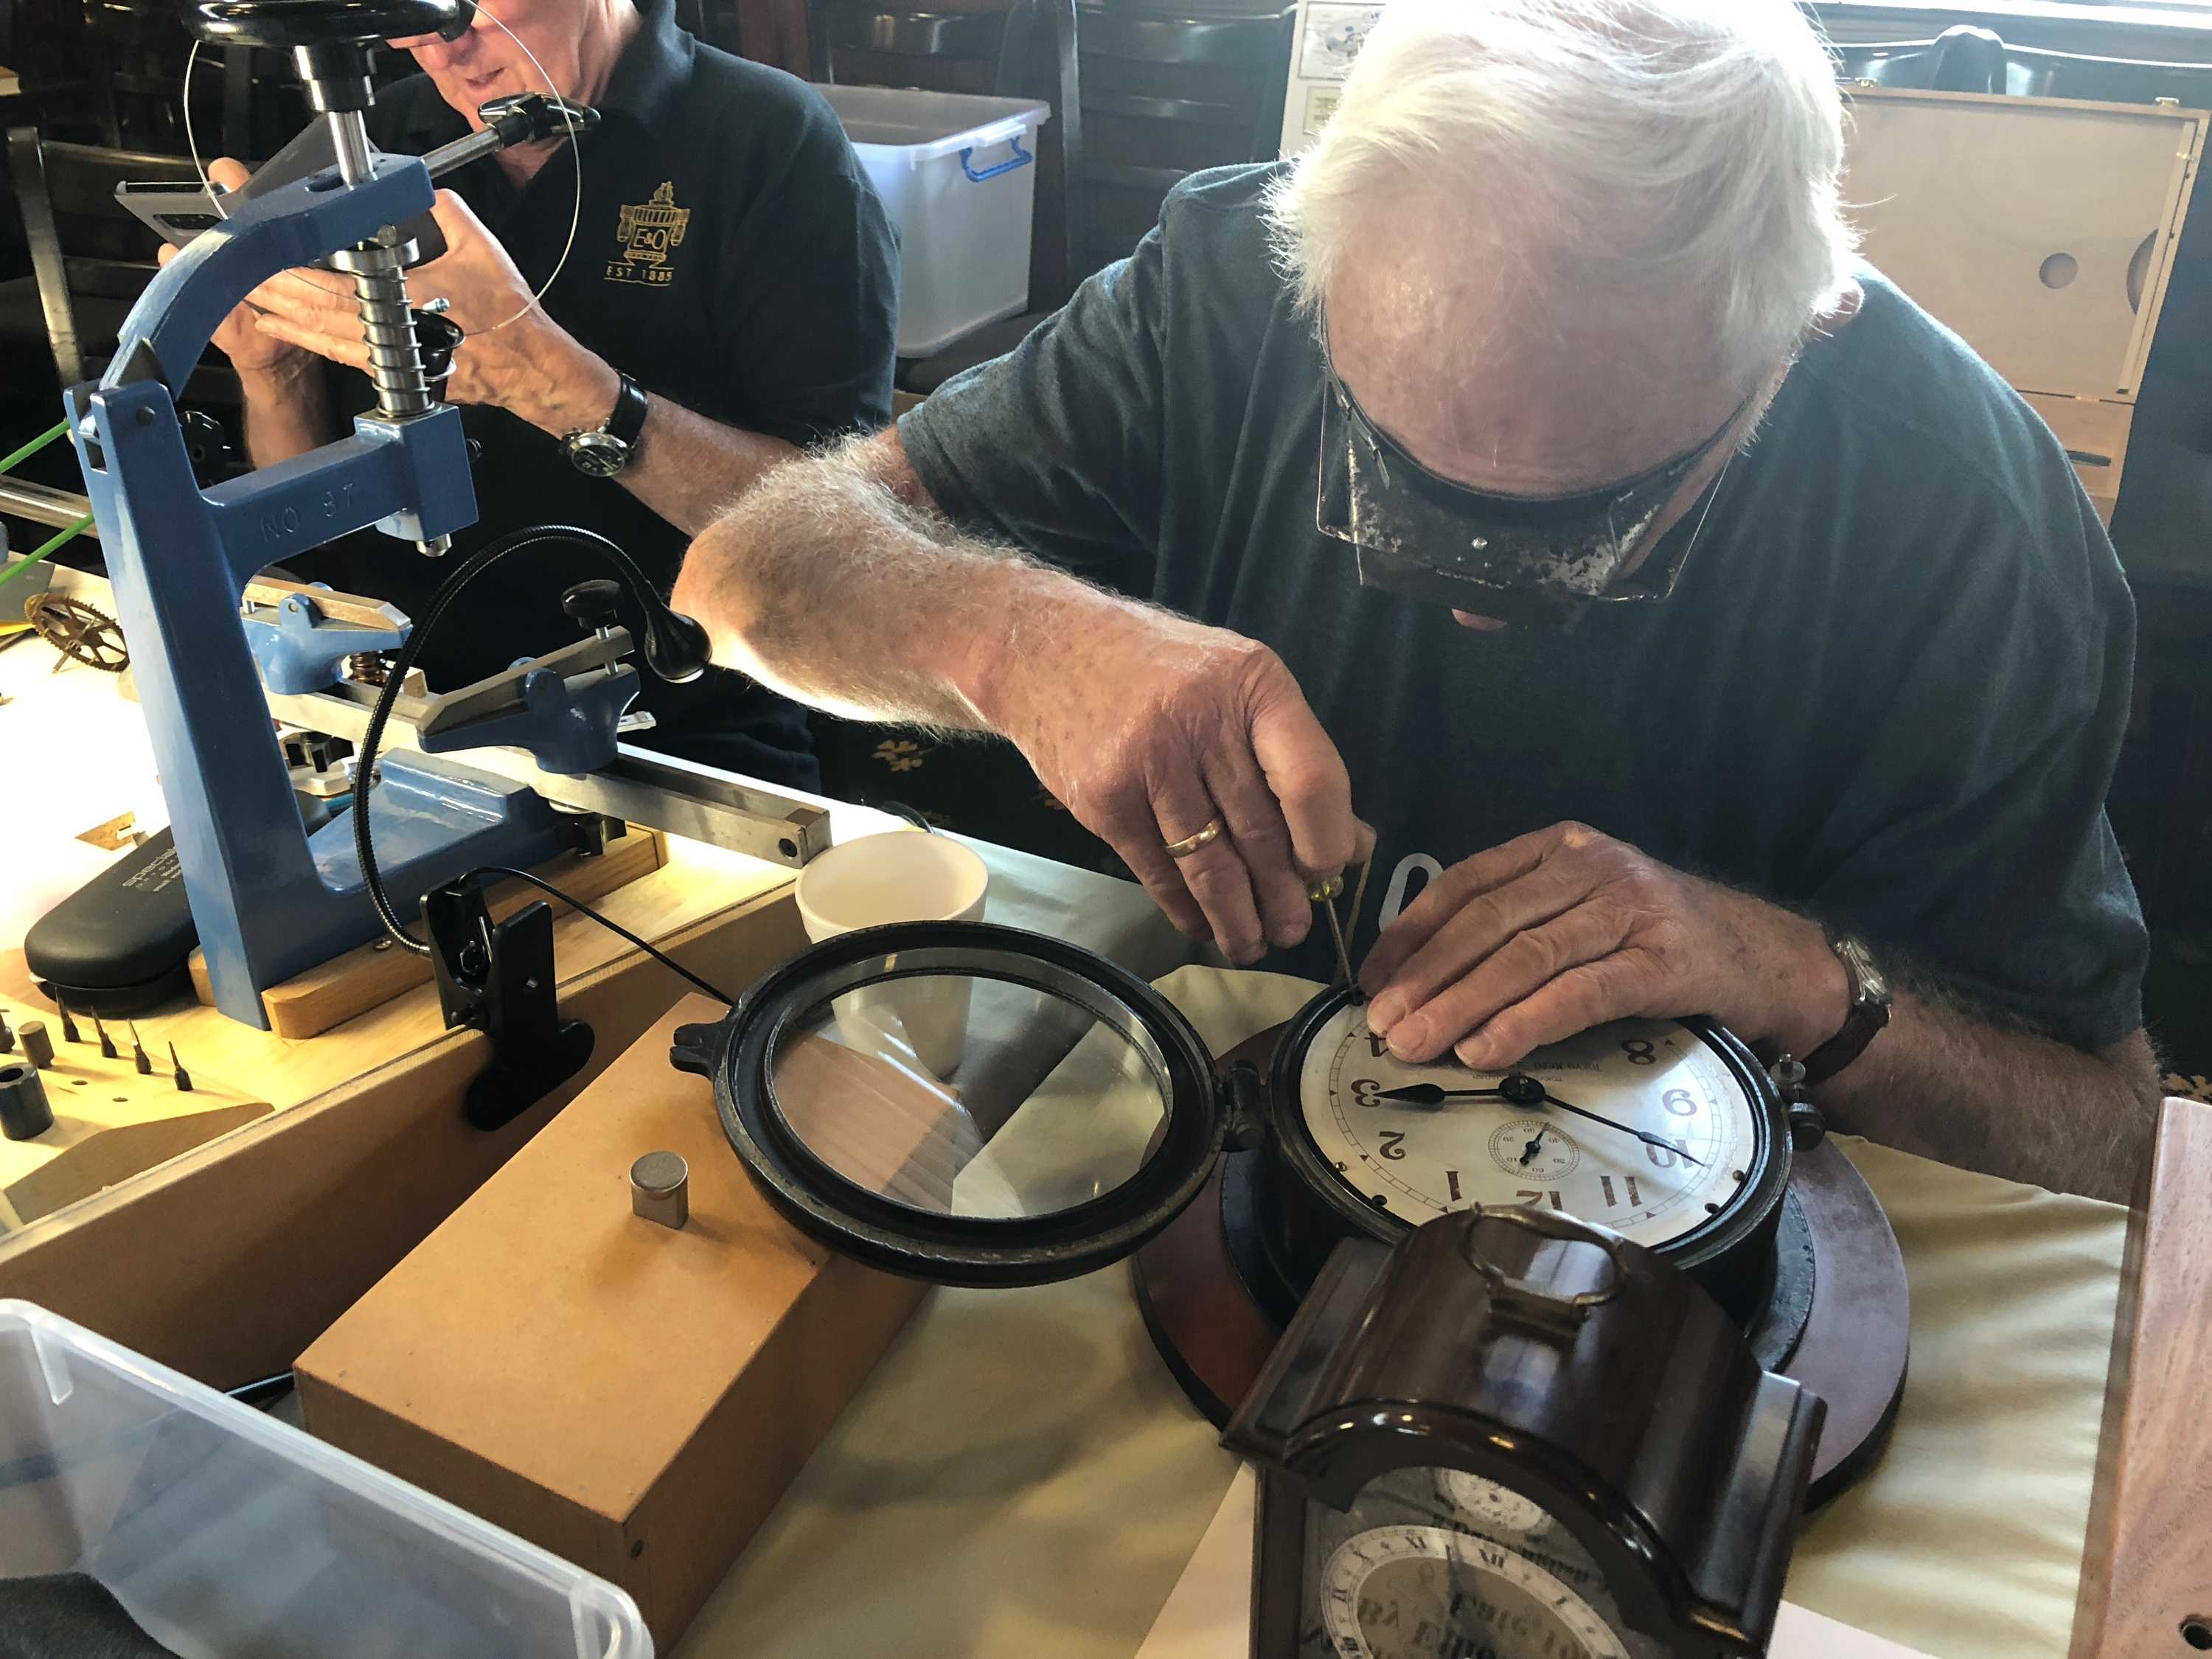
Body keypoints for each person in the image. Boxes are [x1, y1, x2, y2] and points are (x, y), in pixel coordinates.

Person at [670, 0, 2162, 1200]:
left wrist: (1803, 983)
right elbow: (741, 576)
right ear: (1313, 258)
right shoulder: (1222, 287)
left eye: (1586, 525)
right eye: (1389, 482)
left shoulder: (1963, 518)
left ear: (1805, 328)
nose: (1472, 610)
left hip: (1666, 1250)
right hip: (1212, 1154)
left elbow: (2109, 1134)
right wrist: (1017, 640)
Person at [192, 0, 897, 787]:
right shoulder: (382, 134)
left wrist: (551, 382)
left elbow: (833, 537)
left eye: (469, 4)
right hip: (393, 708)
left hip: (671, 726)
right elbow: (314, 539)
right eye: (412, 15)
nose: (442, 46)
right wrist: (274, 373)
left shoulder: (767, 141)